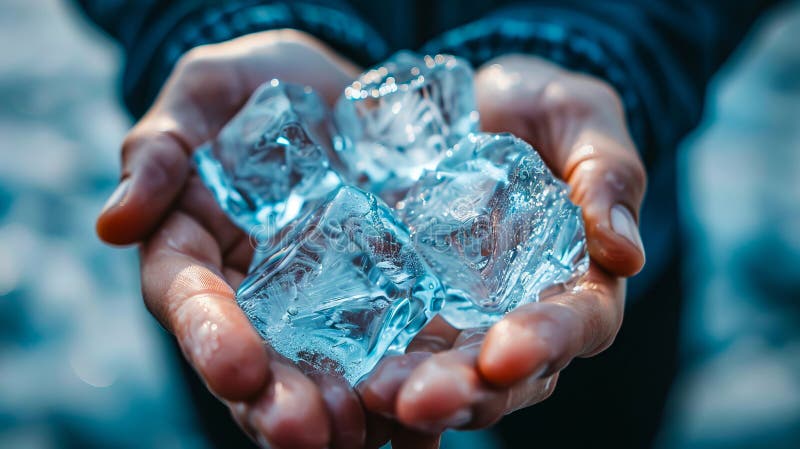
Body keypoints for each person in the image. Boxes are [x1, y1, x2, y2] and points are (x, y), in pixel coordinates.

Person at [77, 1, 778, 448]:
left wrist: (592, 45)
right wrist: (206, 18)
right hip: (252, 272)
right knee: (265, 407)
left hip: (618, 235)